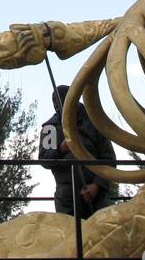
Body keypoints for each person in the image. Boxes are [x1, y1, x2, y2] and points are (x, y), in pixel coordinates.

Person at [38, 84, 117, 218]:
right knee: (70, 235)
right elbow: (44, 159)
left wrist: (97, 186)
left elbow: (109, 159)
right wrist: (61, 149)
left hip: (96, 196)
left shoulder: (95, 123)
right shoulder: (50, 128)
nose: (58, 108)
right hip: (66, 196)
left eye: (62, 104)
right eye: (56, 104)